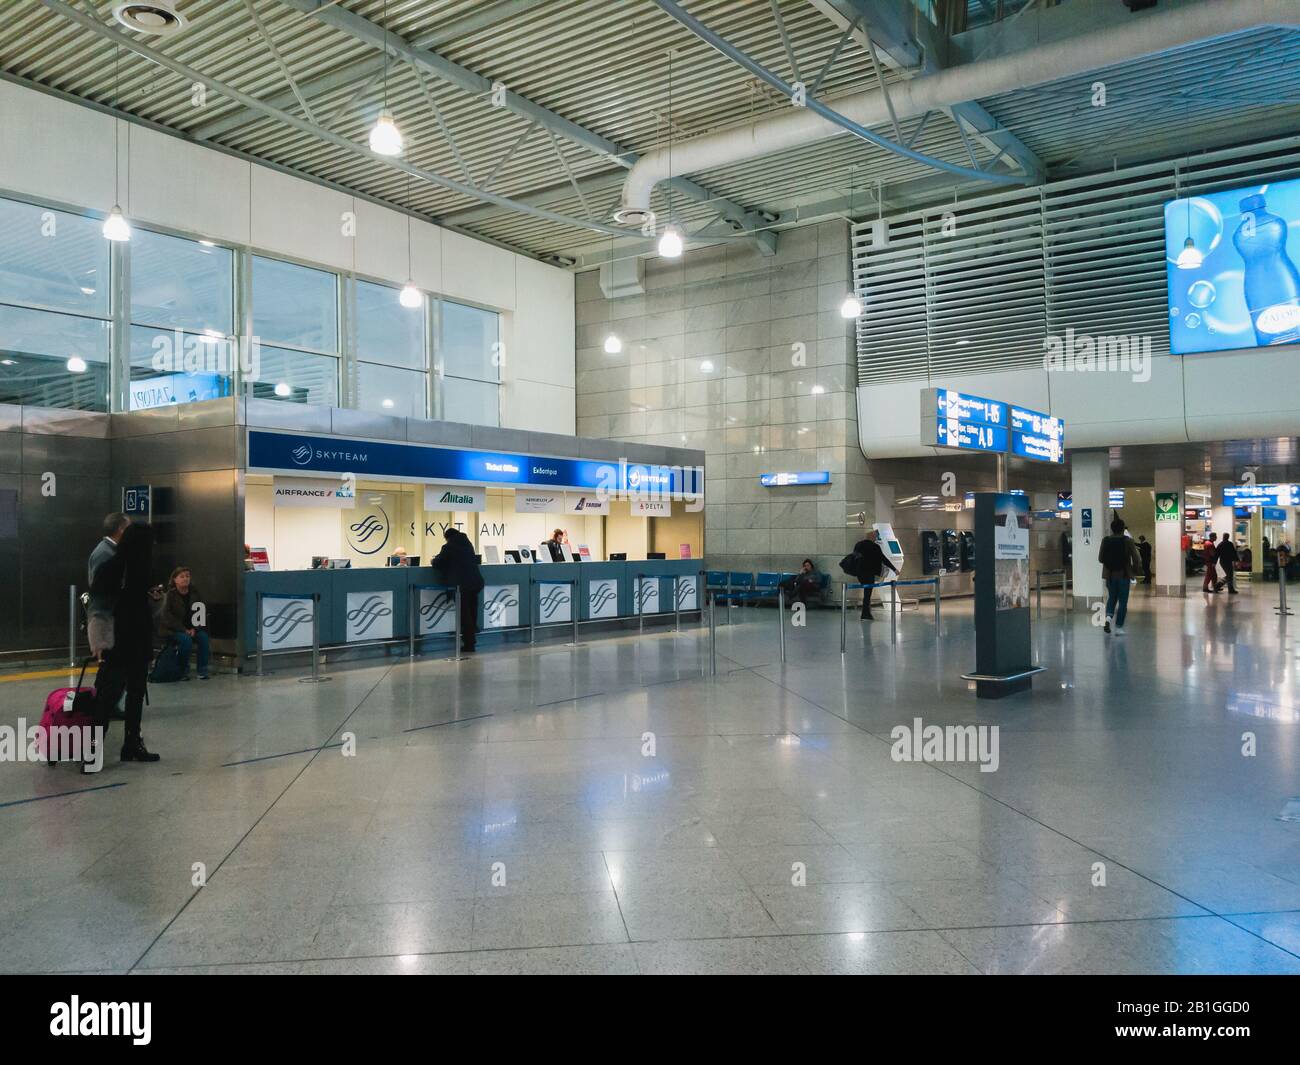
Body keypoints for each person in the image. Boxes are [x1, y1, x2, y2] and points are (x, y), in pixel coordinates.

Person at [88, 522, 161, 767]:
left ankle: (124, 744)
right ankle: (104, 746)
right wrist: (98, 641)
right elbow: (98, 608)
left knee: (126, 691)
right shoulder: (117, 568)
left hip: (132, 636)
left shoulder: (132, 568)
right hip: (122, 639)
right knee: (117, 692)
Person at [432, 527, 485, 652]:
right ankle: (472, 638)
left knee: (464, 615)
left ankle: (469, 643)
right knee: (472, 612)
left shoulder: (448, 546)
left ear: (447, 537)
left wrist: (433, 560)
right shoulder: (468, 544)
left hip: (461, 585)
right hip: (476, 583)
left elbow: (438, 563)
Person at [87, 512, 130, 658]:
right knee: (108, 665)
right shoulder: (105, 553)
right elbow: (100, 588)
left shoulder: (114, 551)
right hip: (105, 617)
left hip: (111, 616)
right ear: (120, 529)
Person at [158, 566, 209, 681]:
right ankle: (182, 670)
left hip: (192, 628)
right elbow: (167, 618)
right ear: (175, 579)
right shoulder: (169, 596)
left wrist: (195, 629)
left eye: (187, 576)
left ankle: (202, 670)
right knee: (185, 640)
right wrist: (183, 629)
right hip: (173, 630)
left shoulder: (195, 594)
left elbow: (201, 613)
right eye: (182, 576)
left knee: (203, 638)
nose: (185, 579)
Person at [1098, 517, 1141, 635]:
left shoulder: (1105, 540)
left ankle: (1107, 619)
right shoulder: (1128, 541)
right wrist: (1134, 571)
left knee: (1112, 598)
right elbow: (1136, 559)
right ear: (1123, 529)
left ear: (1112, 529)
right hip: (1123, 575)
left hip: (1109, 575)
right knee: (1122, 601)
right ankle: (1118, 627)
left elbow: (1100, 558)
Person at [851, 531, 898, 620]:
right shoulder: (875, 547)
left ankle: (867, 612)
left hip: (860, 573)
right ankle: (865, 614)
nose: (876, 539)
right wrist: (894, 569)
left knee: (866, 592)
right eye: (876, 537)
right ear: (872, 537)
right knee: (867, 593)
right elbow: (883, 559)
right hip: (869, 573)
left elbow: (854, 557)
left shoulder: (858, 545)